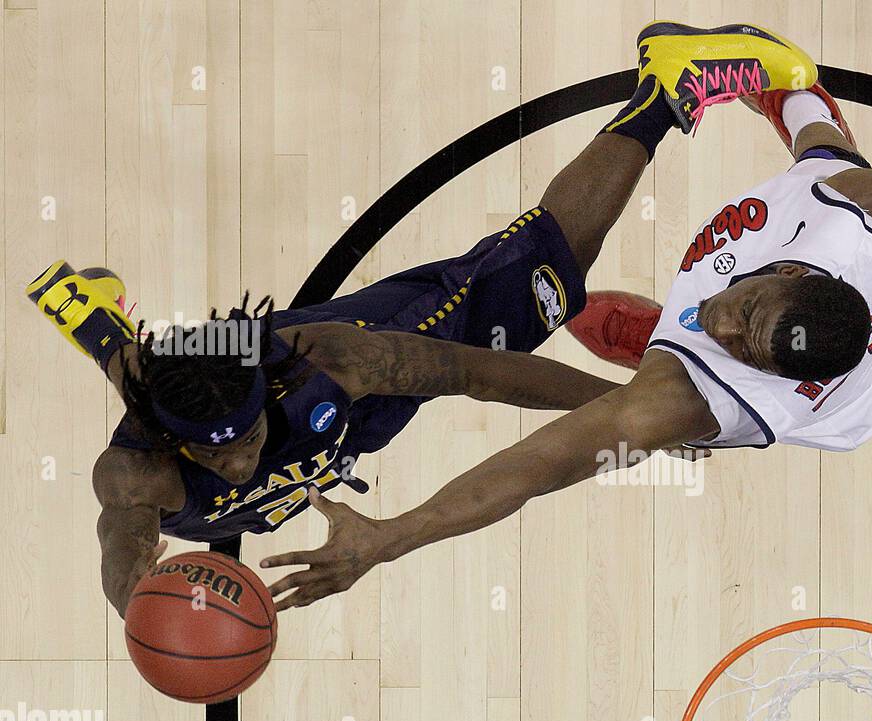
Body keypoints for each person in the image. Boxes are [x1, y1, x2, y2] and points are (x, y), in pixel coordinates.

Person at [262, 14, 872, 610]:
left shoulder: (714, 392)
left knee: (630, 415)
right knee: (824, 150)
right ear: (789, 273)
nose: (729, 323)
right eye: (746, 309)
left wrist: (392, 539)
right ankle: (771, 84)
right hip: (869, 246)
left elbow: (534, 469)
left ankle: (641, 342)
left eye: (745, 340)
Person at [27, 21, 816, 616]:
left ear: (262, 390)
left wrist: (628, 416)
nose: (233, 466)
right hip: (291, 426)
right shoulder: (139, 470)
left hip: (407, 335)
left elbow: (482, 375)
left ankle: (664, 90)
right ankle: (91, 312)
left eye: (245, 440)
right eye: (212, 449)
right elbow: (124, 564)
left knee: (547, 265)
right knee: (145, 372)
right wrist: (154, 620)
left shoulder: (332, 358)